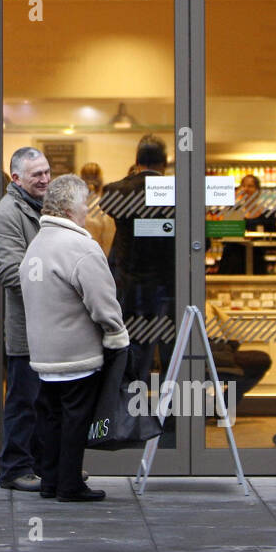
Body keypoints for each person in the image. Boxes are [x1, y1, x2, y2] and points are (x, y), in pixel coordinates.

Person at [19, 175, 128, 502]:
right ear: (69, 208)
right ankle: (70, 485)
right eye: (84, 203)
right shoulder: (81, 247)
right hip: (76, 353)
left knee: (51, 417)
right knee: (75, 419)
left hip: (44, 353)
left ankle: (50, 481)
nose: (87, 209)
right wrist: (116, 335)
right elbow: (103, 302)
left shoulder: (38, 244)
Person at [0, 145, 52, 492]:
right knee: (23, 401)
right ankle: (15, 469)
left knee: (46, 402)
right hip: (27, 329)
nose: (44, 179)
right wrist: (60, 280)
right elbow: (12, 274)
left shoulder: (45, 207)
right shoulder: (8, 214)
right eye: (36, 175)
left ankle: (46, 466)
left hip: (52, 327)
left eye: (46, 172)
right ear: (16, 178)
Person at [102, 135, 177, 373]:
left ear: (136, 161)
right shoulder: (176, 192)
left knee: (136, 354)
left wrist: (134, 176)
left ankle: (131, 406)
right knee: (172, 354)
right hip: (168, 287)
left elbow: (110, 199)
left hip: (131, 287)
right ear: (164, 163)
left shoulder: (118, 191)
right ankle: (173, 408)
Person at [80, 162, 116, 255]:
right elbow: (107, 243)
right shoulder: (105, 208)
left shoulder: (71, 206)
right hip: (96, 260)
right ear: (101, 181)